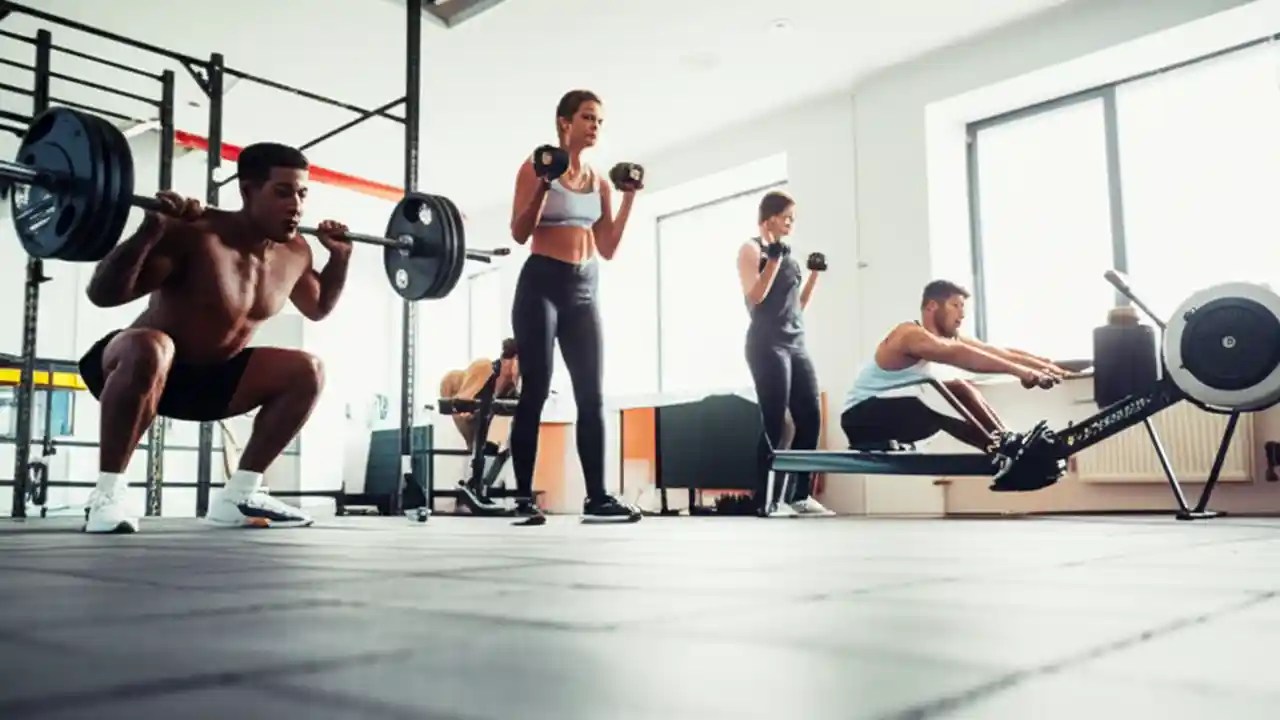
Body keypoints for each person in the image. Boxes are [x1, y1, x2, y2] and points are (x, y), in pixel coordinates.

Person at [78, 143, 351, 534]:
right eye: (283, 192)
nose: (296, 206)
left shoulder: (296, 251)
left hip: (212, 384)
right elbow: (103, 295)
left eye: (302, 194)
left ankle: (240, 495)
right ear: (248, 190)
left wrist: (339, 259)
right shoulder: (197, 232)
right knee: (152, 346)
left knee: (308, 370)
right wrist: (150, 231)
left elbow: (318, 307)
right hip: (138, 368)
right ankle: (107, 494)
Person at [507, 89, 643, 525]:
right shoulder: (534, 167)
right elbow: (519, 232)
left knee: (592, 394)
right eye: (587, 117)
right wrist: (545, 183)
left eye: (599, 120)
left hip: (584, 288)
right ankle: (523, 497)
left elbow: (608, 247)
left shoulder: (599, 181)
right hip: (541, 285)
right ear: (564, 122)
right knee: (536, 388)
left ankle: (598, 498)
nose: (595, 126)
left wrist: (628, 197)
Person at [840, 279, 1075, 452]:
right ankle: (1003, 447)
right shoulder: (909, 334)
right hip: (860, 420)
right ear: (932, 306)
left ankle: (1007, 443)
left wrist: (1046, 366)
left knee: (953, 391)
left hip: (896, 416)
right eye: (956, 305)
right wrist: (1022, 372)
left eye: (963, 308)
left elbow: (998, 352)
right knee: (950, 390)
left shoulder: (948, 338)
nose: (962, 315)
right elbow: (961, 355)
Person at [736, 190, 833, 518]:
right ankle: (765, 500)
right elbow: (756, 297)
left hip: (795, 343)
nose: (791, 223)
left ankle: (799, 496)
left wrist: (814, 275)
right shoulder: (752, 249)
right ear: (770, 218)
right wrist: (774, 259)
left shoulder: (788, 256)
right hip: (767, 343)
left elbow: (797, 306)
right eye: (787, 217)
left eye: (793, 218)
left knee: (811, 418)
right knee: (775, 422)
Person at [438, 337, 520, 450]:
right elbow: (462, 403)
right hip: (456, 399)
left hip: (482, 436)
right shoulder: (485, 367)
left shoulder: (511, 393)